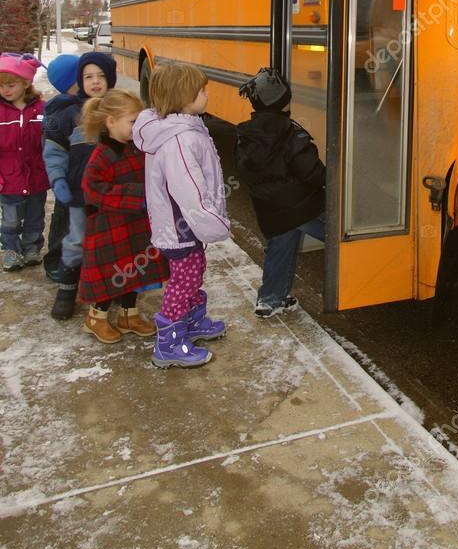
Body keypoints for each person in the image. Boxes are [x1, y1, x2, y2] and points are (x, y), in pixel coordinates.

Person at [133, 62, 229, 368]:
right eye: (202, 90)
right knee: (184, 281)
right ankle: (168, 344)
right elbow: (189, 190)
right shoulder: (178, 139)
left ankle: (190, 323)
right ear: (183, 97)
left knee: (193, 272)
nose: (206, 95)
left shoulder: (186, 127)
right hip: (182, 226)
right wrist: (214, 224)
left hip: (185, 225)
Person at [79, 89, 169, 344]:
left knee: (134, 270)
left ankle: (129, 315)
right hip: (109, 228)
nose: (136, 127)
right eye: (132, 122)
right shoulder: (102, 155)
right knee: (111, 275)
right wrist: (139, 194)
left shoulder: (135, 147)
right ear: (111, 121)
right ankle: (96, 318)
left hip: (134, 225)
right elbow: (94, 189)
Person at [235, 67, 325, 318]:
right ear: (285, 103)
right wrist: (330, 181)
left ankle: (270, 300)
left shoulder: (246, 136)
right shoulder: (292, 135)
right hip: (303, 206)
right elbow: (312, 173)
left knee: (280, 247)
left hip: (271, 209)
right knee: (341, 233)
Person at [44, 52, 117, 320]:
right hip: (79, 195)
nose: (95, 81)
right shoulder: (67, 114)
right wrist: (59, 179)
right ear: (79, 80)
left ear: (111, 78)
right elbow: (53, 151)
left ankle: (110, 290)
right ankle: (66, 291)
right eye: (88, 77)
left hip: (113, 196)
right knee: (75, 242)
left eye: (101, 76)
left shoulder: (120, 108)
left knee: (111, 245)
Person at [0, 53, 49, 271]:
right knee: (10, 221)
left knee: (34, 218)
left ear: (26, 83)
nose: (5, 90)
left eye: (10, 85)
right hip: (8, 179)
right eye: (1, 86)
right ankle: (11, 251)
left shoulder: (42, 109)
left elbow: (50, 141)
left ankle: (31, 248)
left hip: (36, 177)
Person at [42, 54, 79, 281]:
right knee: (63, 221)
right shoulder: (59, 113)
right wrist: (58, 179)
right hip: (68, 179)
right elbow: (52, 151)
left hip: (89, 177)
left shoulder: (95, 104)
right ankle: (55, 260)